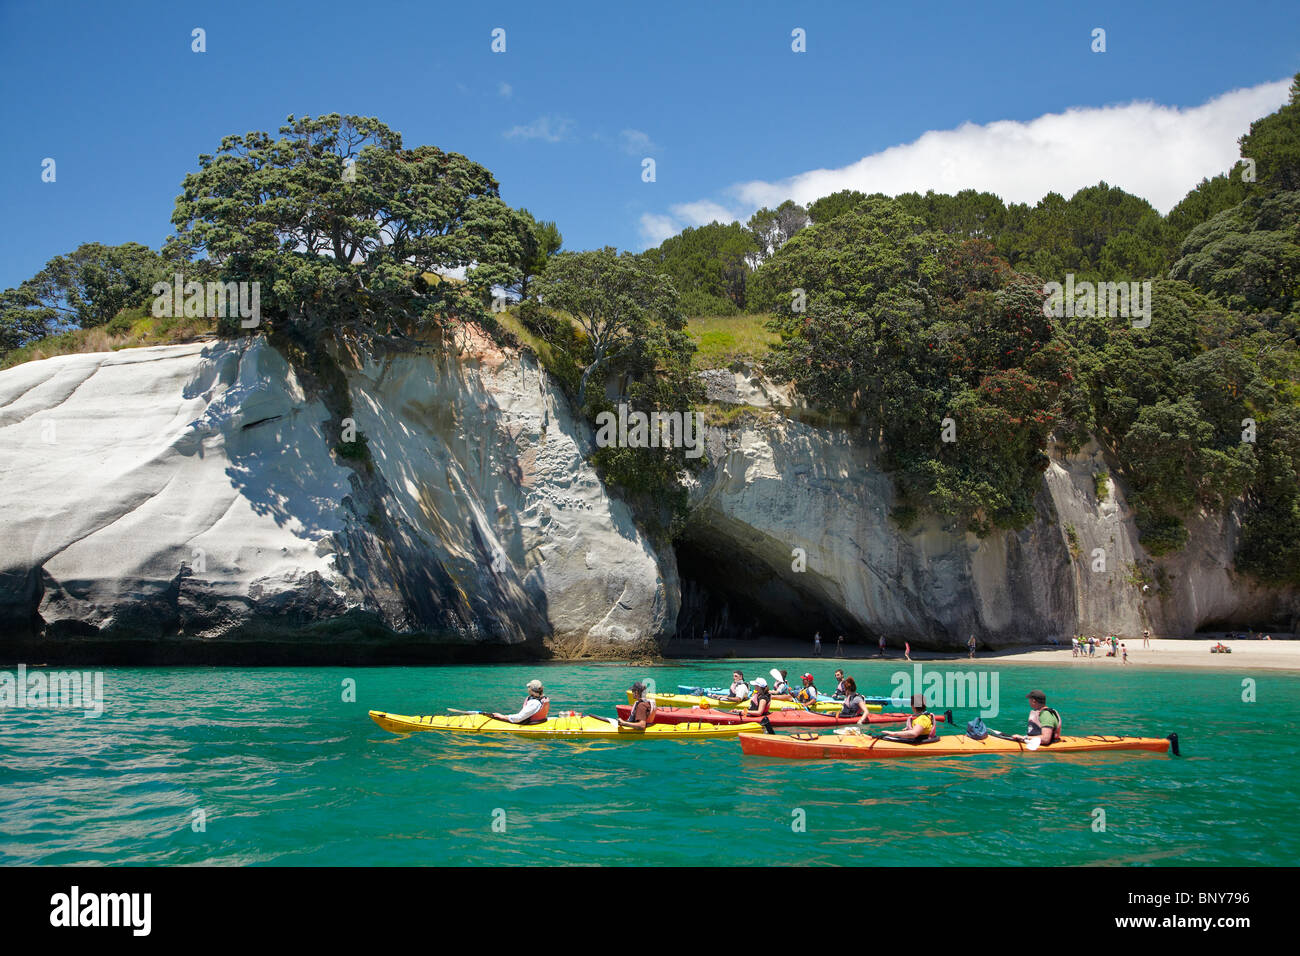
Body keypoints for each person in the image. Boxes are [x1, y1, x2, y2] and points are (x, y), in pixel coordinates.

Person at [872, 693, 938, 741]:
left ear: (913, 706)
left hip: (919, 741)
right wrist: (908, 728)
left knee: (889, 737)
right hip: (917, 739)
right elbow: (920, 727)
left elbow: (914, 734)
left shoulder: (922, 719)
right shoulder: (923, 717)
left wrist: (894, 733)